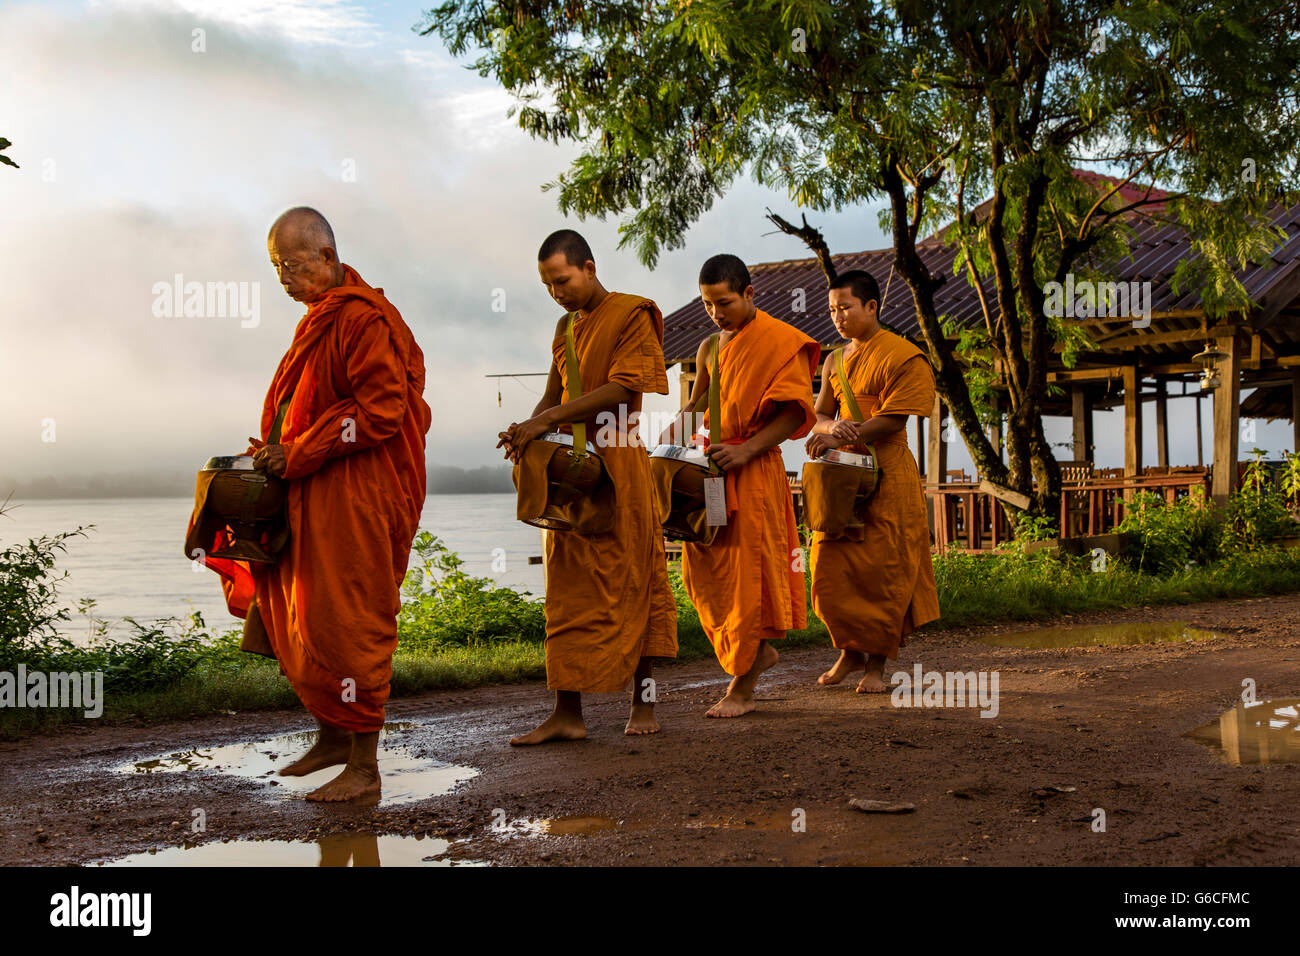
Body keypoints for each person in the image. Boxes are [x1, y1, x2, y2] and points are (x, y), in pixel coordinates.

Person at [192, 206, 431, 801]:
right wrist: (275, 449)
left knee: (348, 620)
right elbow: (311, 403)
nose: (284, 278)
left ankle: (365, 768)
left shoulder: (362, 320)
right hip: (312, 490)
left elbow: (382, 412)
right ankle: (330, 735)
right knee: (294, 609)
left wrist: (299, 452)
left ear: (327, 256)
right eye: (276, 267)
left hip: (356, 496)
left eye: (293, 264)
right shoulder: (320, 318)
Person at [497, 229, 677, 745]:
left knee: (633, 578)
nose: (557, 292)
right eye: (548, 286)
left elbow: (623, 387)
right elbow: (553, 393)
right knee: (567, 591)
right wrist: (526, 433)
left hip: (618, 461)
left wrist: (547, 418)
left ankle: (643, 705)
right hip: (571, 472)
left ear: (590, 267)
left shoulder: (632, 313)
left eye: (563, 280)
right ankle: (567, 713)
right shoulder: (564, 327)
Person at [658, 254, 818, 717]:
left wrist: (746, 451)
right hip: (711, 470)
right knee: (704, 568)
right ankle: (756, 653)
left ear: (749, 294)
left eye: (723, 302)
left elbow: (794, 412)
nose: (716, 313)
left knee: (750, 575)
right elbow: (695, 404)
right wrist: (661, 450)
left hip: (752, 468)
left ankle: (742, 687)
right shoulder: (710, 346)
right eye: (708, 304)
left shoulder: (779, 341)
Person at [805, 269, 940, 693]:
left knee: (883, 568)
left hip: (888, 471)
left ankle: (876, 666)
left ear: (871, 306)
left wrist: (851, 431)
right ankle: (849, 649)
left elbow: (896, 416)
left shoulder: (903, 355)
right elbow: (821, 413)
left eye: (845, 308)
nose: (838, 317)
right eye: (831, 310)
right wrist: (829, 432)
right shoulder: (833, 360)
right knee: (828, 565)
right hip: (843, 474)